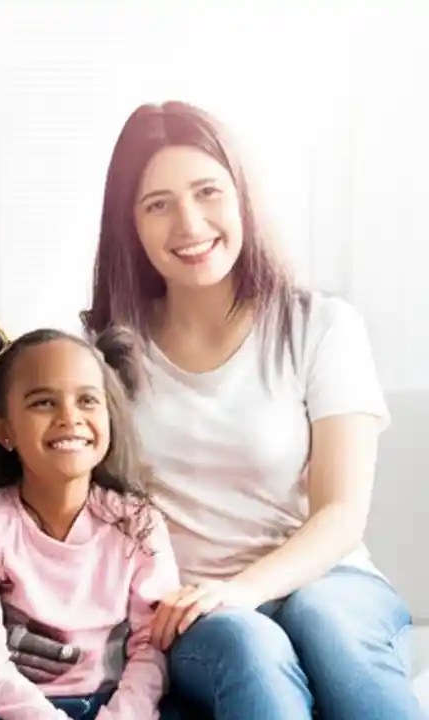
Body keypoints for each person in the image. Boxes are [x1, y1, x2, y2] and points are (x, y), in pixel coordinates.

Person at [82, 101, 422, 718]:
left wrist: (241, 590)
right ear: (129, 224)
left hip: (326, 579)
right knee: (249, 643)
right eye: (157, 204)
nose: (189, 223)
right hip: (186, 606)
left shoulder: (320, 326)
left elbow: (342, 512)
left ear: (241, 196)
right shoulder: (104, 352)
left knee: (326, 622)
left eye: (207, 192)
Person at [0, 323, 180, 720]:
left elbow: (150, 646)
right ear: (4, 431)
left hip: (121, 707)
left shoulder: (138, 524)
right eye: (43, 403)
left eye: (87, 400)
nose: (69, 417)